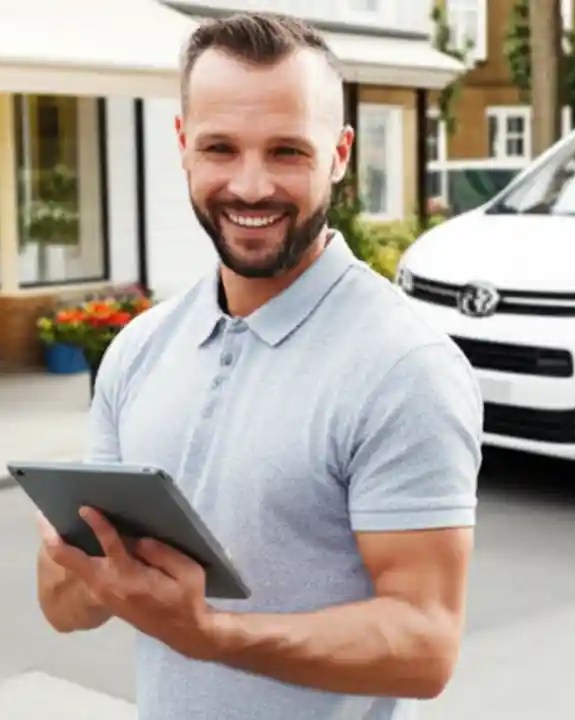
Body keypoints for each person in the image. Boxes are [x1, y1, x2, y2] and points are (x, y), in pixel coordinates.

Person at [35, 11, 483, 719]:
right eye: (220, 148)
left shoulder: (405, 366)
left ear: (339, 155)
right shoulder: (139, 350)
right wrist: (85, 568)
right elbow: (64, 612)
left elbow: (424, 644)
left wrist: (210, 633)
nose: (249, 187)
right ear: (183, 145)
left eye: (286, 152)